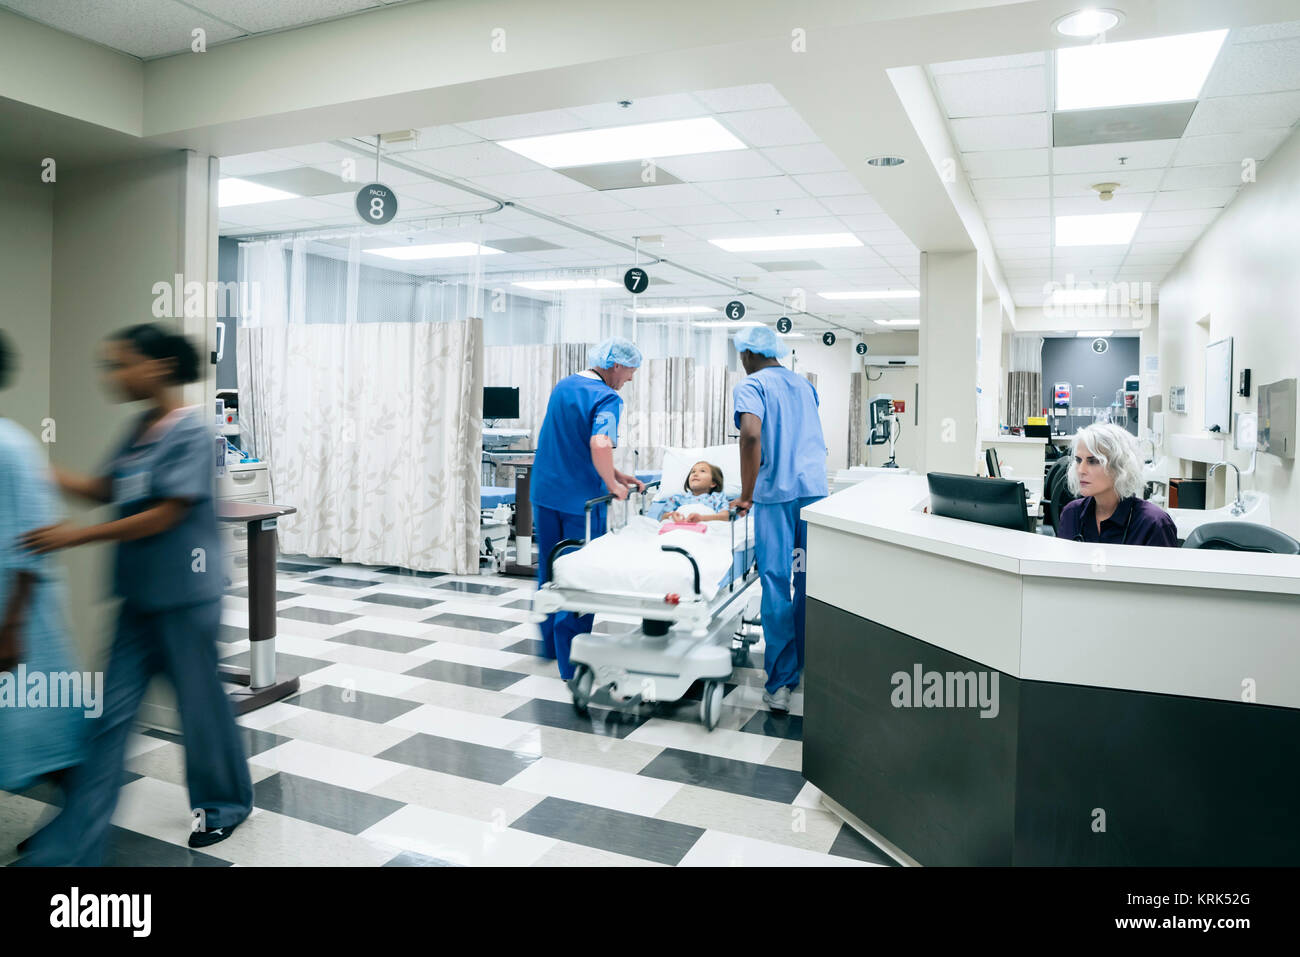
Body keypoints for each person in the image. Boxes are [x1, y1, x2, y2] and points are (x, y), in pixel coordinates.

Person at [17, 323, 253, 864]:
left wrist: (74, 536)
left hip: (187, 600)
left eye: (122, 364)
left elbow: (166, 513)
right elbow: (107, 489)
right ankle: (72, 840)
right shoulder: (139, 427)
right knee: (108, 722)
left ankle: (224, 805)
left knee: (201, 709)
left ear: (160, 367)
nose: (113, 375)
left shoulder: (191, 433)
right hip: (138, 600)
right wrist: (33, 468)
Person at [0, 330, 84, 803]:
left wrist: (12, 625)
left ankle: (81, 831)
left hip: (21, 613)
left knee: (47, 734)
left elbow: (35, 538)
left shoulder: (11, 446)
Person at [530, 336, 645, 682]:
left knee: (550, 569)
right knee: (580, 576)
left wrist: (616, 474)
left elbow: (573, 444)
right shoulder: (607, 397)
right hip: (580, 502)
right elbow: (599, 441)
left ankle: (549, 646)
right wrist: (611, 486)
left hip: (545, 491)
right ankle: (572, 663)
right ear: (616, 365)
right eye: (630, 371)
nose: (630, 379)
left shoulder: (564, 386)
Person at [731, 325, 828, 714]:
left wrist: (746, 493)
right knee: (807, 580)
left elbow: (751, 435)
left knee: (775, 583)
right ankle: (806, 665)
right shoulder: (805, 386)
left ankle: (781, 683)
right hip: (814, 495)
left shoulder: (752, 386)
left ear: (748, 355)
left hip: (775, 497)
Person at [1056, 422, 1178, 547]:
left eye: (1093, 461)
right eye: (1078, 460)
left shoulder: (1154, 523)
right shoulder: (1072, 514)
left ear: (1120, 466)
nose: (1081, 470)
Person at [648, 461, 734, 523]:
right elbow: (662, 518)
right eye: (693, 472)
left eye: (702, 471)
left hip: (706, 529)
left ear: (713, 483)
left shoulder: (717, 497)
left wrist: (702, 518)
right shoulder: (678, 499)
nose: (695, 474)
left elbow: (725, 517)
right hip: (679, 528)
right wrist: (672, 516)